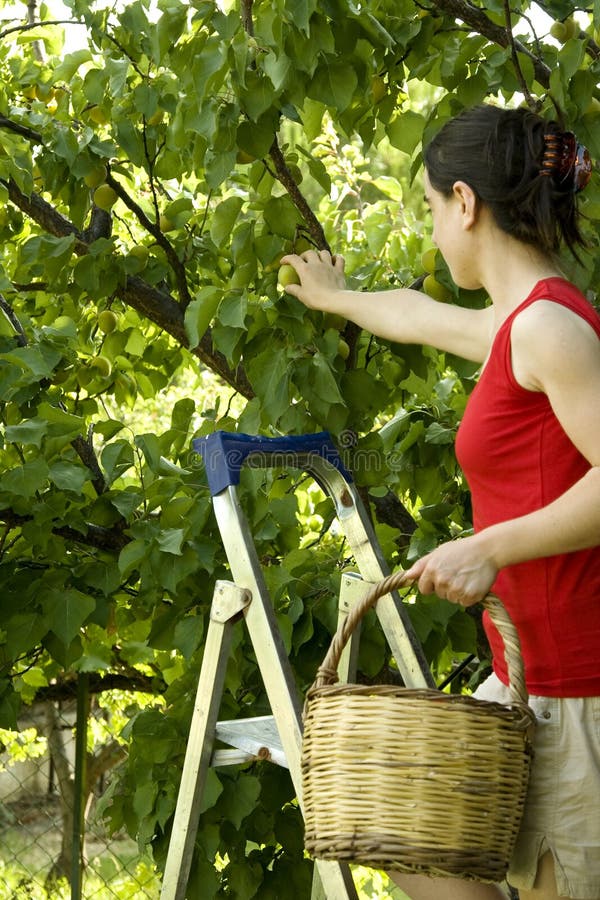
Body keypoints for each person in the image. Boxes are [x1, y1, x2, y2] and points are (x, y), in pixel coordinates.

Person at [280, 104, 600, 900]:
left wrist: (489, 547)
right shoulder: (519, 323)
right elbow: (418, 316)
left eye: (430, 206)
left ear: (465, 202)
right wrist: (336, 299)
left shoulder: (551, 329)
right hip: (527, 686)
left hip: (579, 694)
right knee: (409, 840)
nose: (431, 231)